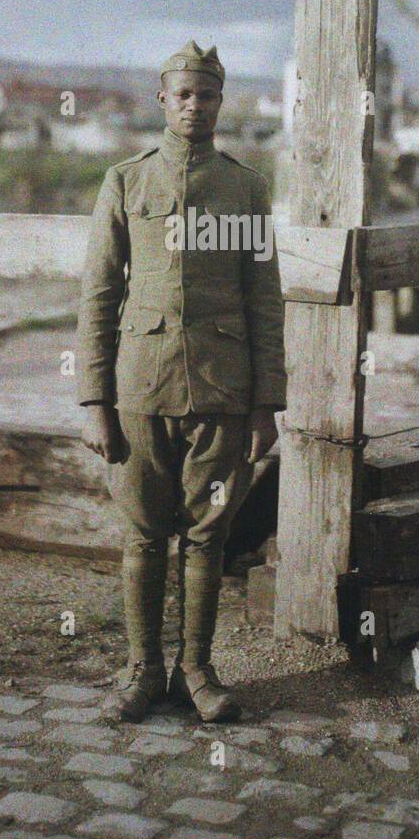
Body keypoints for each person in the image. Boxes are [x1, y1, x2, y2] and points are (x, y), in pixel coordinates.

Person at [77, 40, 287, 723]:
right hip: (140, 386)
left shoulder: (246, 188)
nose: (198, 106)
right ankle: (142, 673)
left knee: (209, 535)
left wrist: (266, 405)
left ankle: (197, 671)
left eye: (210, 95)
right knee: (142, 534)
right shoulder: (126, 182)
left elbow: (264, 299)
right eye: (186, 95)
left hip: (222, 389)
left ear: (222, 104)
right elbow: (99, 296)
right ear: (163, 101)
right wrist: (94, 402)